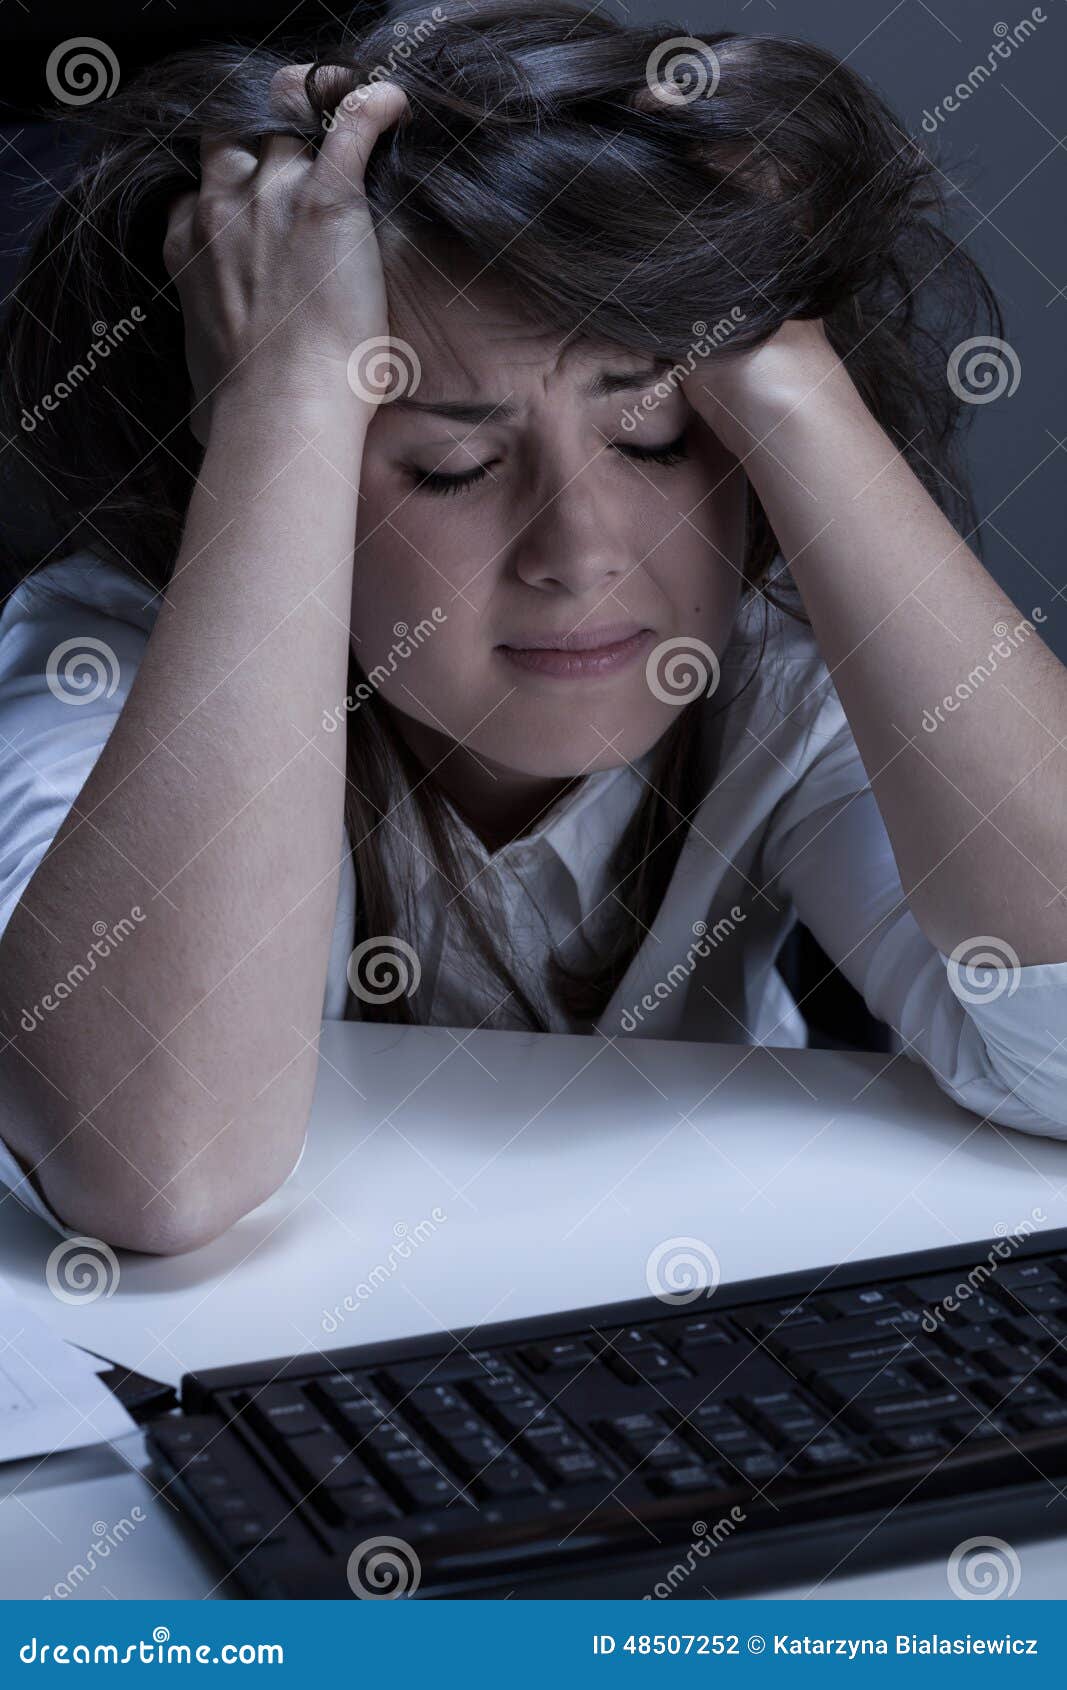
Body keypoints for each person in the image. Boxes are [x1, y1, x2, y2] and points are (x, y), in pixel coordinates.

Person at [1, 0, 1065, 1255]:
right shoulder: (105, 660)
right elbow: (151, 1168)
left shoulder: (778, 662)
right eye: (450, 464)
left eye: (656, 436)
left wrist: (777, 357)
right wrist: (289, 394)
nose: (581, 554)